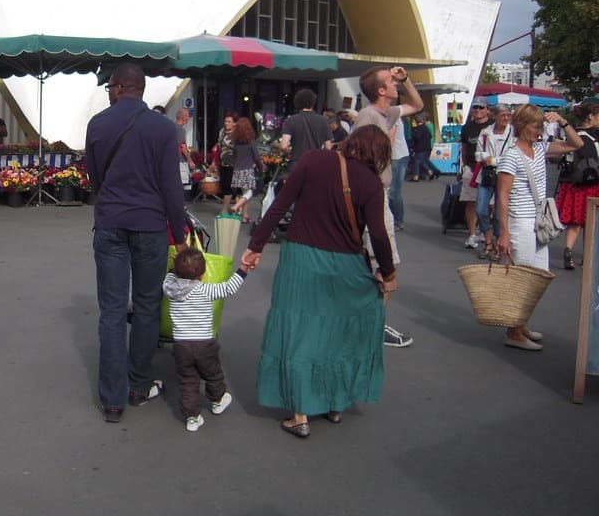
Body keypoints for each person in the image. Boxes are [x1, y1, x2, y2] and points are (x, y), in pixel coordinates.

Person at [242, 126, 395, 439]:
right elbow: (378, 235)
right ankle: (335, 402)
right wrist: (388, 272)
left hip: (300, 259)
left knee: (299, 332)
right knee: (338, 333)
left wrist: (255, 246)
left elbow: (279, 205)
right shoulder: (371, 184)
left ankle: (299, 413)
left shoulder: (313, 161)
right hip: (345, 266)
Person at [85, 63, 186, 424]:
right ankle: (138, 385)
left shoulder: (98, 124)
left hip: (111, 223)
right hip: (151, 225)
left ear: (118, 87)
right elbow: (172, 187)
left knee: (112, 311)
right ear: (141, 90)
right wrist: (181, 235)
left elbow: (95, 177)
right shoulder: (163, 128)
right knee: (145, 305)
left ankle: (112, 401)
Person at [495, 106, 581, 350]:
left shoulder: (540, 148)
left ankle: (521, 325)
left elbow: (575, 144)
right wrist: (504, 232)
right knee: (522, 278)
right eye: (536, 127)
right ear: (522, 126)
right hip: (520, 222)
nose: (540, 131)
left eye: (541, 127)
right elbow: (502, 196)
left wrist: (562, 121)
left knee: (538, 277)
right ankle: (513, 331)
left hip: (538, 220)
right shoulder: (511, 155)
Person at [352, 65, 423, 349]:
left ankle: (371, 323)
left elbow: (416, 105)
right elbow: (360, 161)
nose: (395, 82)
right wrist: (386, 145)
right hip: (373, 195)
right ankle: (375, 326)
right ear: (381, 91)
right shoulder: (369, 117)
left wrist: (406, 80)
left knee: (377, 262)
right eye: (391, 81)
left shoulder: (386, 113)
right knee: (385, 263)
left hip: (379, 194)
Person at [162, 247, 251, 432]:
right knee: (213, 374)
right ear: (202, 274)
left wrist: (174, 266)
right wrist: (243, 270)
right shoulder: (205, 290)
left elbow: (170, 277)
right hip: (204, 343)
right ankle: (218, 399)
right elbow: (229, 288)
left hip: (181, 345)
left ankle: (192, 417)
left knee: (188, 380)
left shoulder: (170, 288)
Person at [556, 101, 599, 270]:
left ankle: (568, 249)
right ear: (590, 117)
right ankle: (588, 254)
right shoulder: (592, 137)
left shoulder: (573, 134)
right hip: (592, 183)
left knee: (575, 222)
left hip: (575, 183)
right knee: (591, 222)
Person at [474, 104, 513, 261]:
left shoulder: (513, 133)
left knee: (499, 213)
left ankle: (498, 244)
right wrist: (485, 158)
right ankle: (488, 240)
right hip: (488, 174)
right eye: (503, 115)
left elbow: (514, 155)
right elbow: (477, 154)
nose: (505, 118)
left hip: (505, 174)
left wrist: (494, 160)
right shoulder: (486, 132)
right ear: (495, 116)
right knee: (480, 209)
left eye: (508, 115)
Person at [460, 96, 494, 249]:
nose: (478, 110)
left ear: (487, 110)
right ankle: (472, 234)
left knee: (490, 204)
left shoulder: (492, 126)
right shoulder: (467, 127)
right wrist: (463, 165)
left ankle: (484, 229)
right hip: (471, 167)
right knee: (471, 202)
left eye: (481, 108)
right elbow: (464, 147)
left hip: (489, 167)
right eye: (475, 107)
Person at [279, 88, 331, 171]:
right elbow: (328, 147)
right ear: (313, 102)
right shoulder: (323, 121)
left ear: (297, 102)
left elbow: (283, 146)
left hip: (297, 163)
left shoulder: (291, 120)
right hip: (316, 164)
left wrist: (289, 153)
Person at [229, 117, 263, 223]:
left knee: (244, 193)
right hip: (247, 169)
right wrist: (261, 167)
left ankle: (245, 216)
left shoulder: (236, 142)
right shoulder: (250, 141)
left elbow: (234, 156)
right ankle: (236, 206)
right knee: (249, 193)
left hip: (237, 170)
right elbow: (256, 157)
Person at [214, 112, 238, 214]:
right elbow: (218, 147)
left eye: (229, 121)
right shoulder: (222, 132)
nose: (226, 123)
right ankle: (238, 208)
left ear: (235, 123)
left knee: (229, 186)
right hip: (223, 162)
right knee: (225, 186)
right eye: (225, 121)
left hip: (234, 164)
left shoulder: (237, 134)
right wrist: (214, 162)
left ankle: (224, 210)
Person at [388, 116, 409, 230]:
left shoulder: (392, 117)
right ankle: (394, 219)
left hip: (397, 156)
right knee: (391, 190)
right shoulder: (390, 116)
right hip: (397, 155)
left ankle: (398, 220)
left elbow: (390, 137)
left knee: (394, 191)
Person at [173, 107, 195, 194]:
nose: (189, 118)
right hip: (180, 161)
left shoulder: (171, 127)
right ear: (183, 118)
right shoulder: (180, 130)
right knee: (182, 184)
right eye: (188, 116)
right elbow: (182, 146)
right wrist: (190, 161)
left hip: (172, 160)